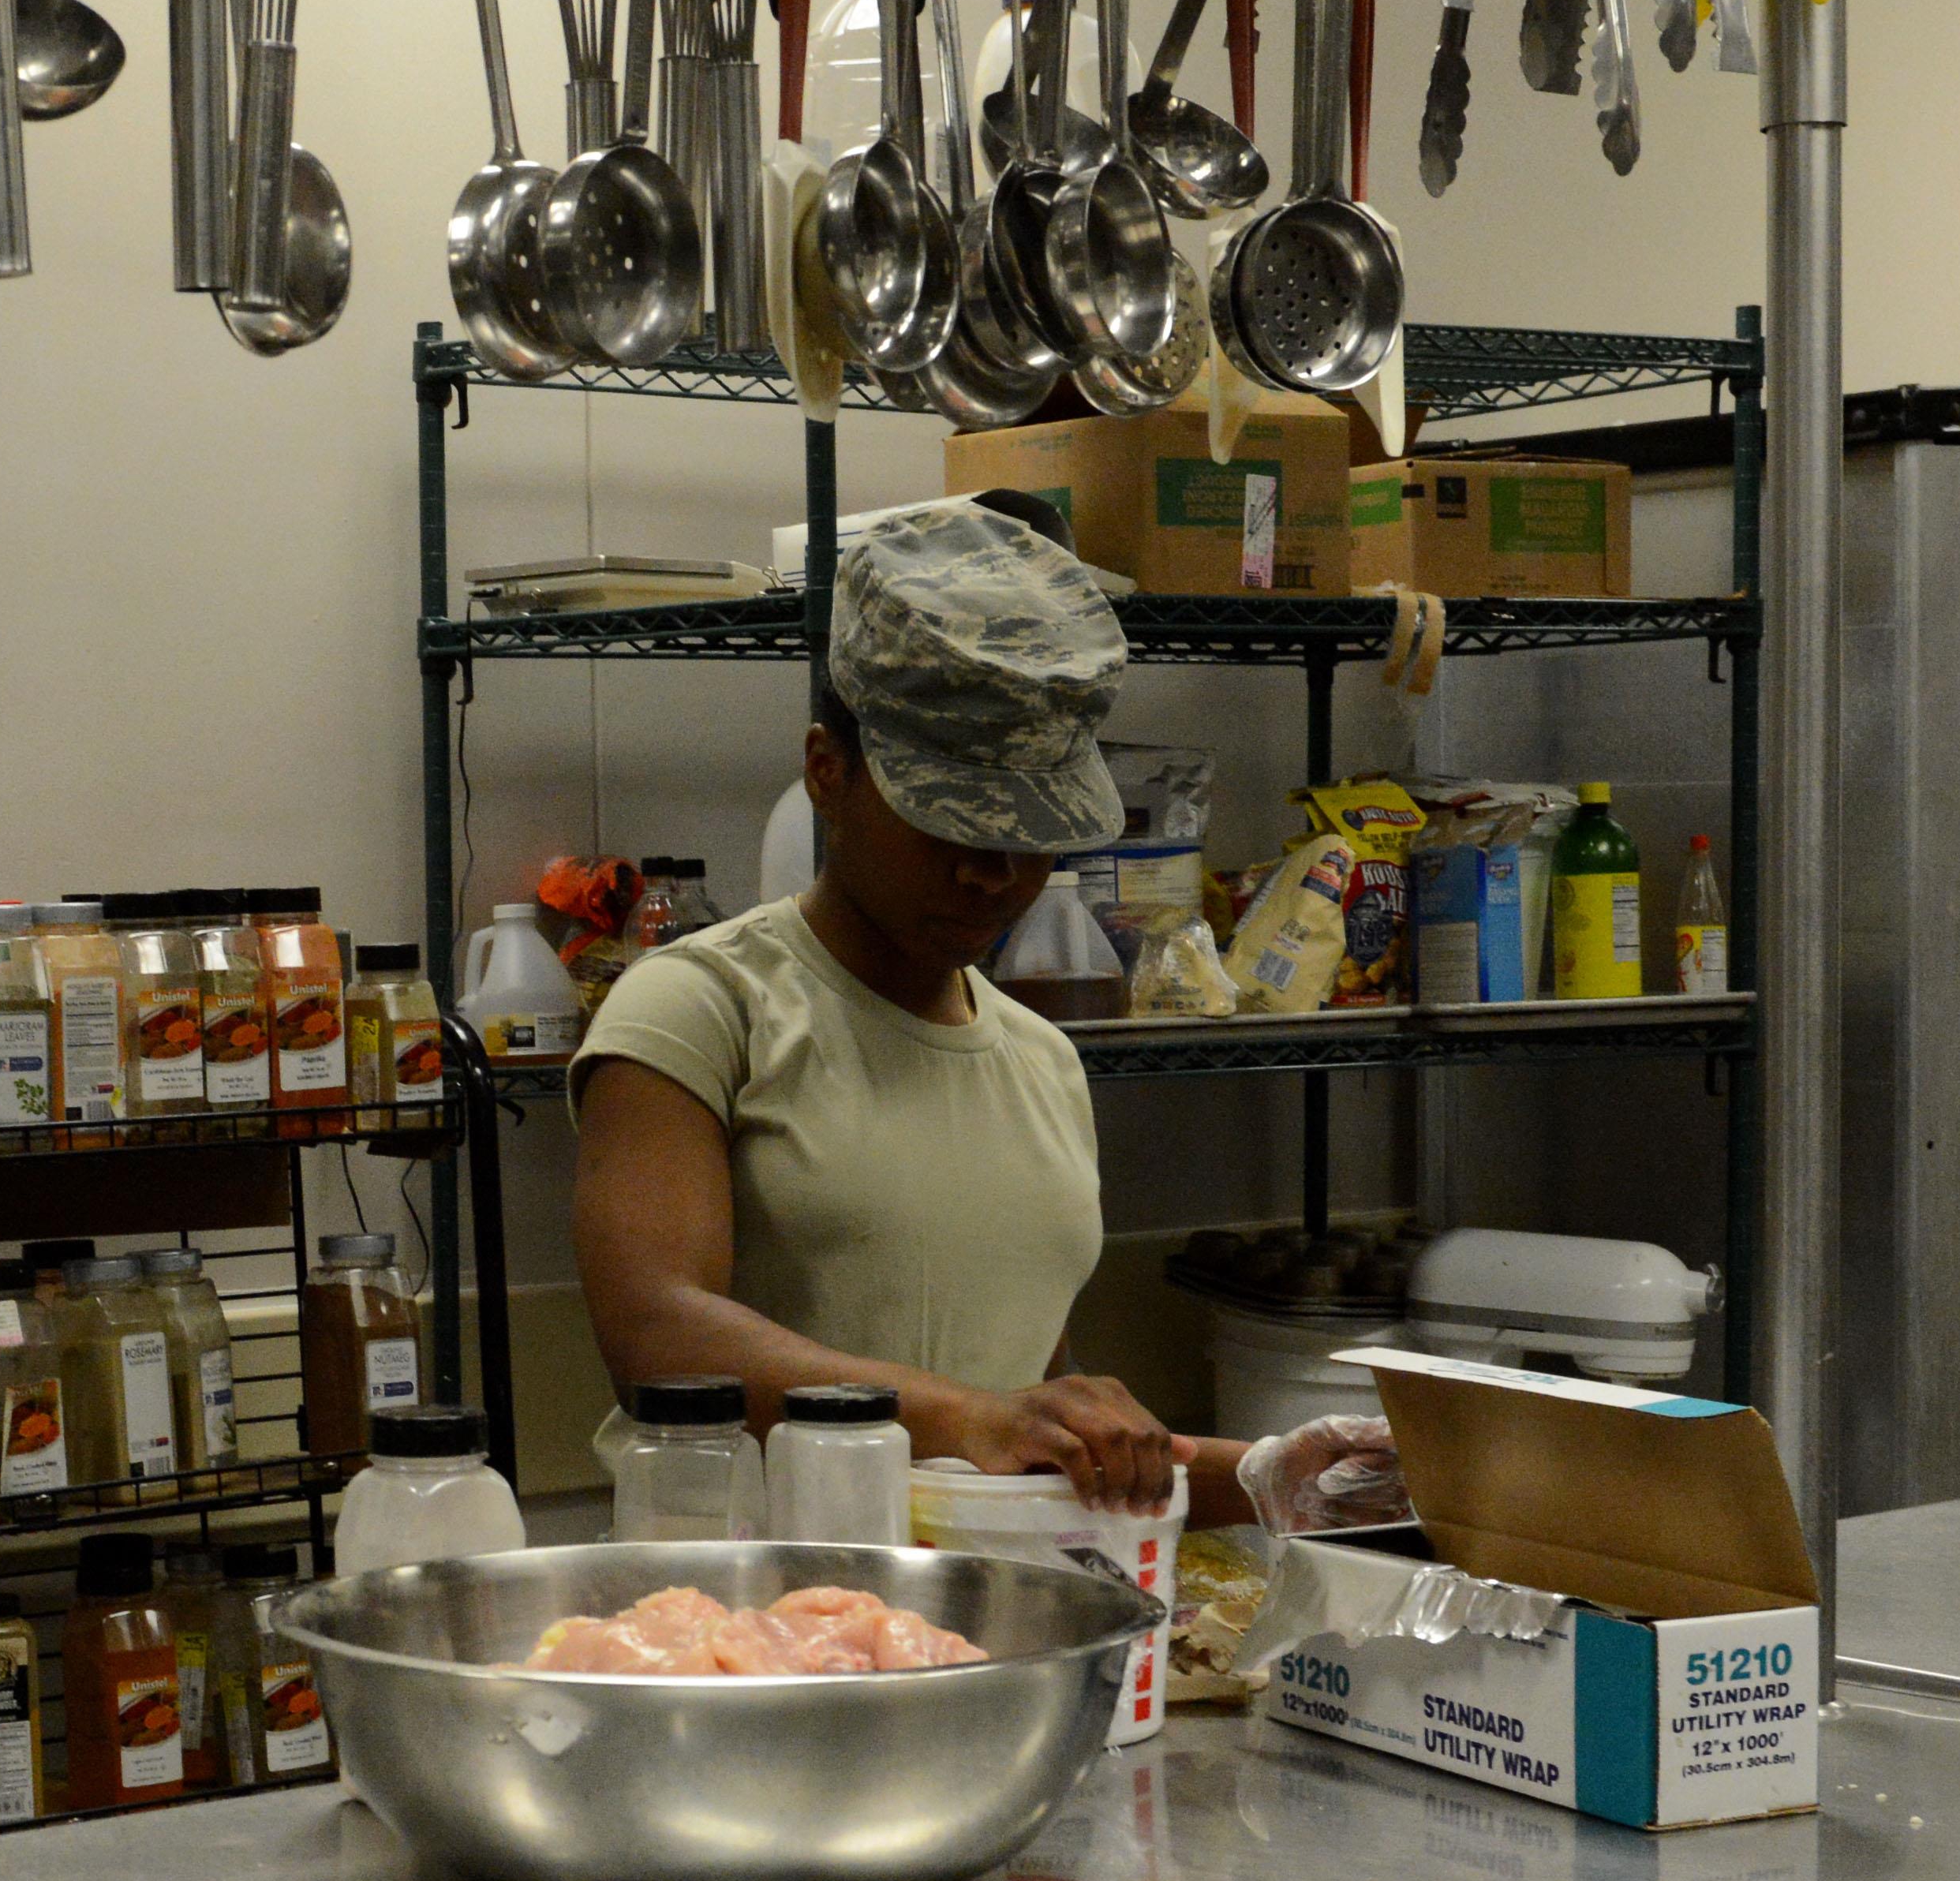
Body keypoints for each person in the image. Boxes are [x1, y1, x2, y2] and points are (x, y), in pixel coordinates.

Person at [569, 505, 1391, 1529]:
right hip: (753, 1623)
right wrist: (979, 1418)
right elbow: (659, 1332)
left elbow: (1023, 1423)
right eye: (948, 818)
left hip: (996, 1621)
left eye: (1033, 830)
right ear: (830, 771)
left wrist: (1267, 1475)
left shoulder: (1041, 1060)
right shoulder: (697, 1009)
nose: (993, 871)